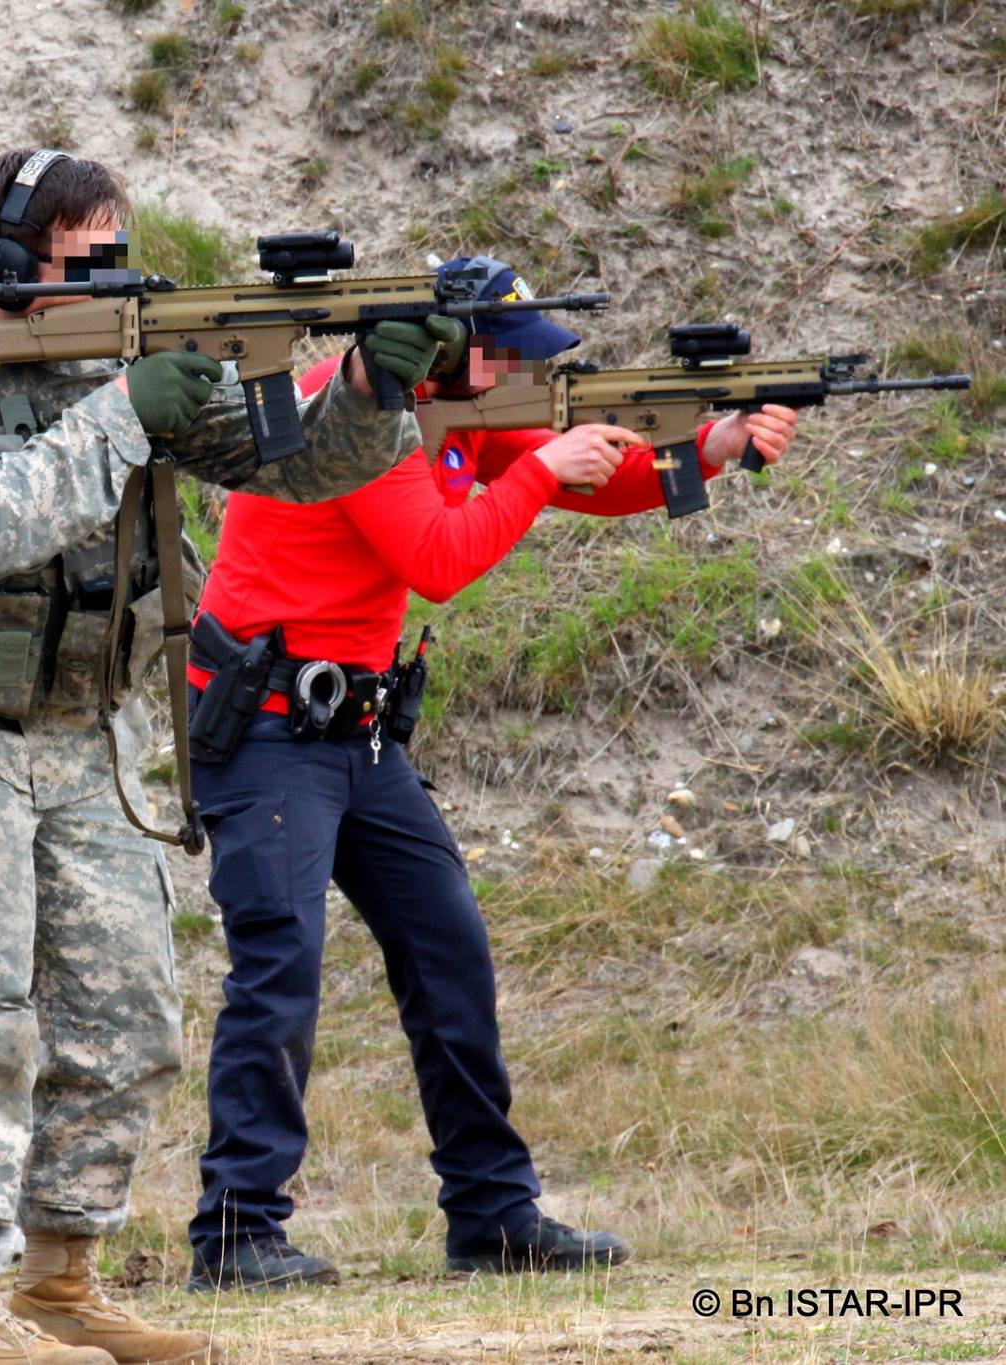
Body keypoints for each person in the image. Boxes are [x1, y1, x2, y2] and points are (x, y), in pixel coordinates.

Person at [0, 147, 447, 1365]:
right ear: (4, 264)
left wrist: (366, 387)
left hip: (77, 724)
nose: (117, 275)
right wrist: (121, 409)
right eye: (87, 256)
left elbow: (288, 468)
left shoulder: (107, 359)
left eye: (119, 249)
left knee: (123, 1008)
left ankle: (58, 1280)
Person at [182, 256, 801, 1290]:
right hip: (268, 729)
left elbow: (594, 473)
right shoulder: (351, 421)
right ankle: (235, 1232)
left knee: (449, 952)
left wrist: (713, 448)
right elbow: (438, 557)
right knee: (279, 970)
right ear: (437, 353)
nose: (520, 371)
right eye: (503, 352)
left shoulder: (460, 408)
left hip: (356, 731)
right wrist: (539, 469)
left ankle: (491, 1216)